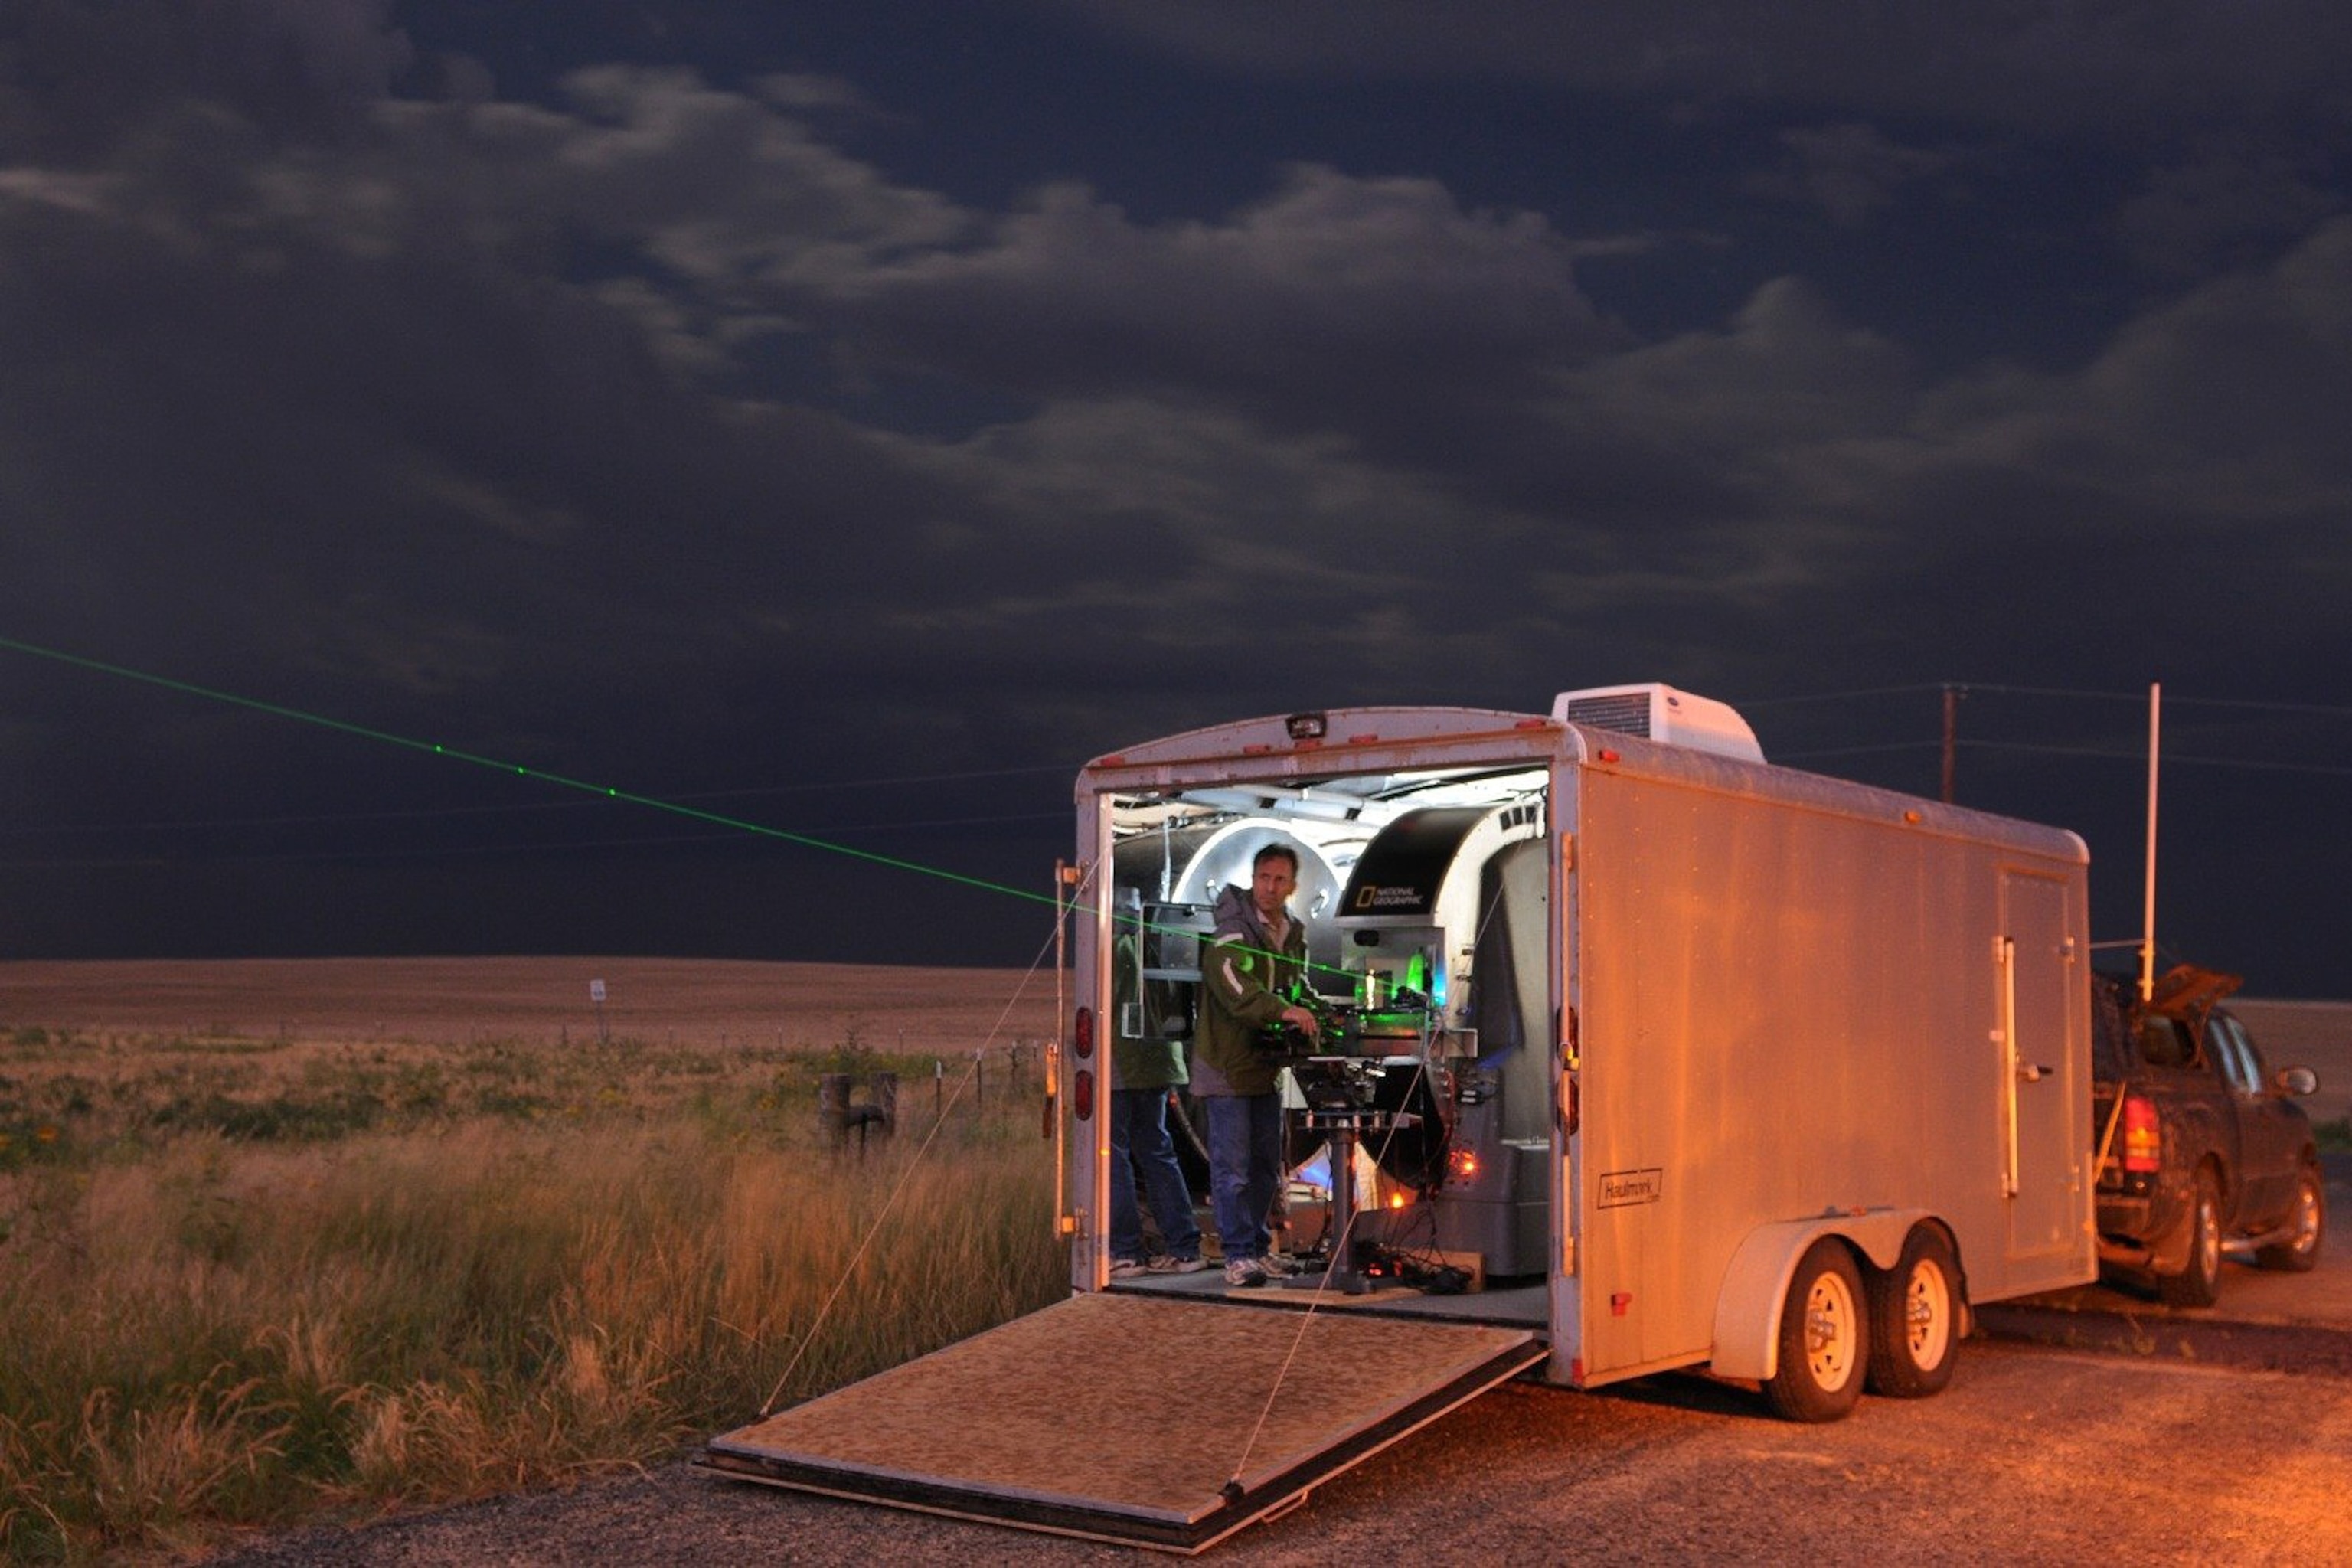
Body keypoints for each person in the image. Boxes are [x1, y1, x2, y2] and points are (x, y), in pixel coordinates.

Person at [1193, 841, 1320, 1287]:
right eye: (1263, 877)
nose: (1269, 886)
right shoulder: (1232, 930)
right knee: (1233, 1170)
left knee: (1266, 1166)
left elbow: (1296, 986)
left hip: (1264, 1072)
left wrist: (1318, 1011)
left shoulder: (1292, 933)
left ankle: (1259, 1247)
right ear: (1253, 880)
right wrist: (1283, 1011)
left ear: (1292, 886)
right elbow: (1235, 986)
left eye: (1279, 879)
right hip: (1227, 1068)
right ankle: (1237, 1256)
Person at [1108, 910, 1207, 1278]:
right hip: (1161, 1060)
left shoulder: (1112, 949)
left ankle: (1126, 1252)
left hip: (1121, 1063)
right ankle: (1184, 1249)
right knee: (1158, 1153)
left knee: (1113, 1157)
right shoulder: (1161, 942)